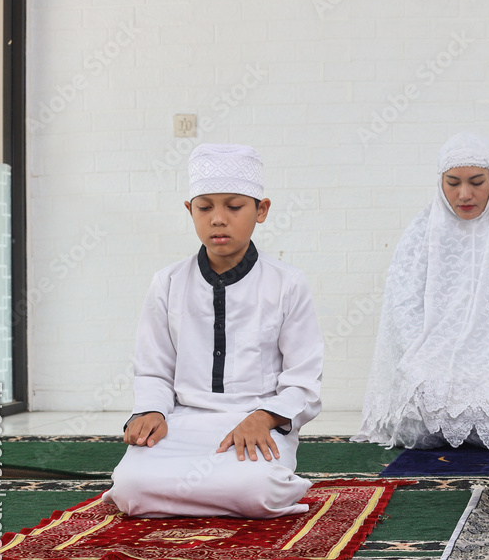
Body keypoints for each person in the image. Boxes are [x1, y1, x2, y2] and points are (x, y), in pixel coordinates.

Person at [102, 143, 323, 518]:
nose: (218, 219)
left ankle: (203, 494)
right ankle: (213, 495)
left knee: (257, 489)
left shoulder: (288, 283)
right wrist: (151, 411)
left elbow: (303, 382)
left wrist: (266, 417)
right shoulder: (167, 282)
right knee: (128, 488)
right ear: (190, 211)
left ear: (261, 210)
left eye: (234, 207)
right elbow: (153, 368)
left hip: (255, 424)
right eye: (205, 207)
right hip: (182, 424)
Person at [353, 133, 489, 449]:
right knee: (425, 389)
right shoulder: (422, 231)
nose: (464, 194)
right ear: (441, 183)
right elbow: (401, 304)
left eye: (476, 181)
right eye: (453, 182)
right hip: (432, 348)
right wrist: (422, 352)